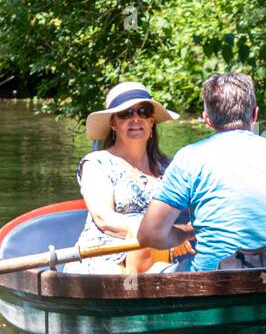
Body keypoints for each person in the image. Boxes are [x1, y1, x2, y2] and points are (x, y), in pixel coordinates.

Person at [137, 73, 266, 269]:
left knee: (156, 268)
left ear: (207, 118)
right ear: (255, 114)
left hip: (211, 283)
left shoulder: (189, 158)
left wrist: (185, 233)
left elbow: (149, 234)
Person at [66, 82, 193, 274]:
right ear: (113, 123)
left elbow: (190, 212)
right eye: (126, 113)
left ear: (151, 120)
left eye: (143, 111)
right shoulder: (96, 163)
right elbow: (104, 219)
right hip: (105, 255)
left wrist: (176, 235)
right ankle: (137, 289)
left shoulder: (170, 167)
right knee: (124, 267)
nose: (136, 119)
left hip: (162, 254)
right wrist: (163, 233)